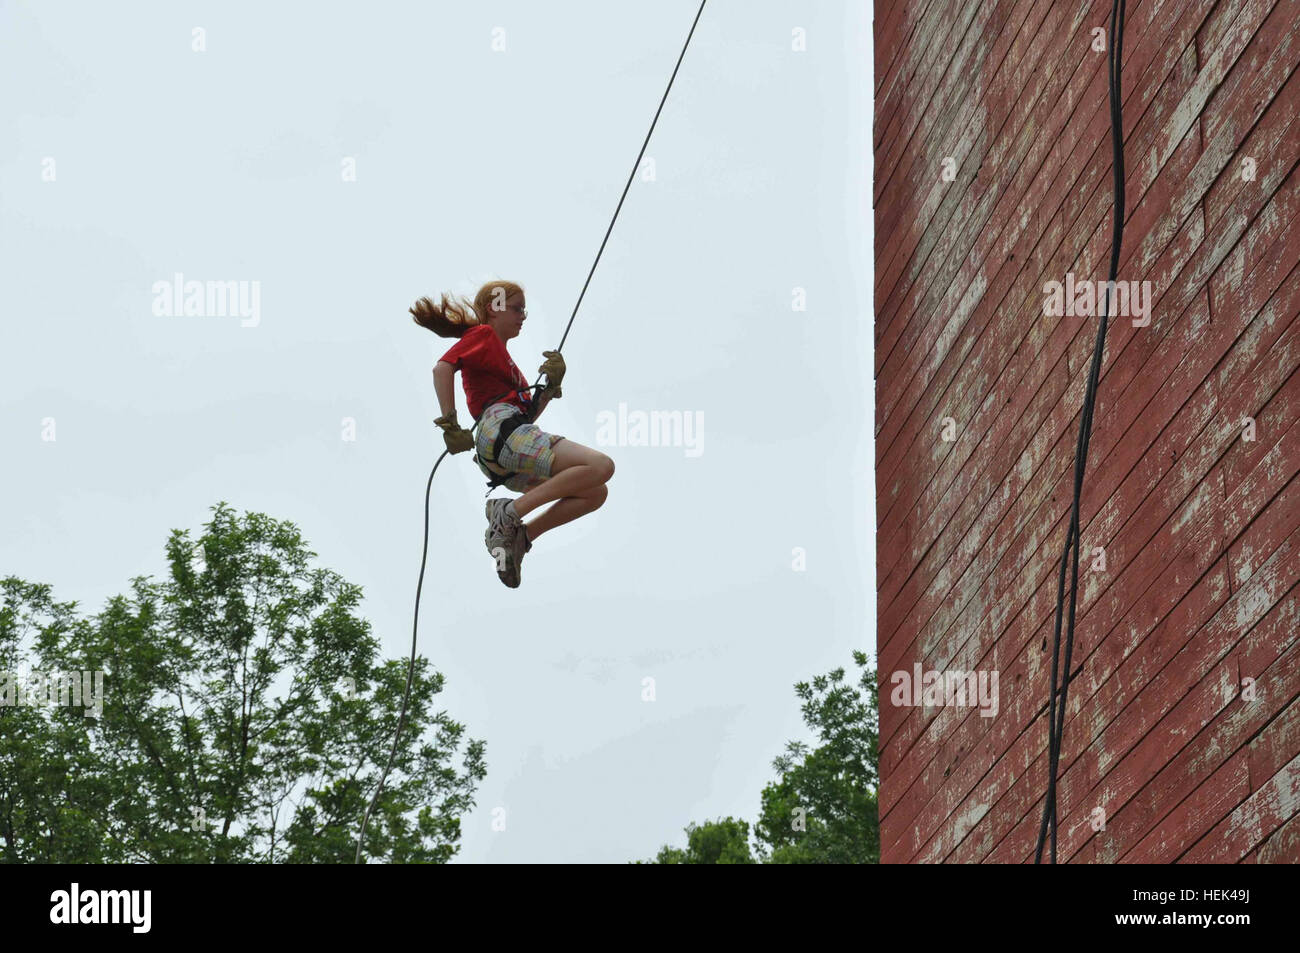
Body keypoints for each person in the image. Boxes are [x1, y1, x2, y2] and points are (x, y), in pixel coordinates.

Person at [410, 280, 615, 588]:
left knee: (595, 491)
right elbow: (442, 368)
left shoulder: (511, 369)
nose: (523, 316)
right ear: (494, 308)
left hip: (501, 454)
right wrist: (450, 425)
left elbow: (526, 416)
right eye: (517, 308)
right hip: (502, 432)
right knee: (601, 466)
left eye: (525, 310)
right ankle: (509, 512)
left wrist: (551, 386)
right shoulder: (483, 335)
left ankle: (521, 536)